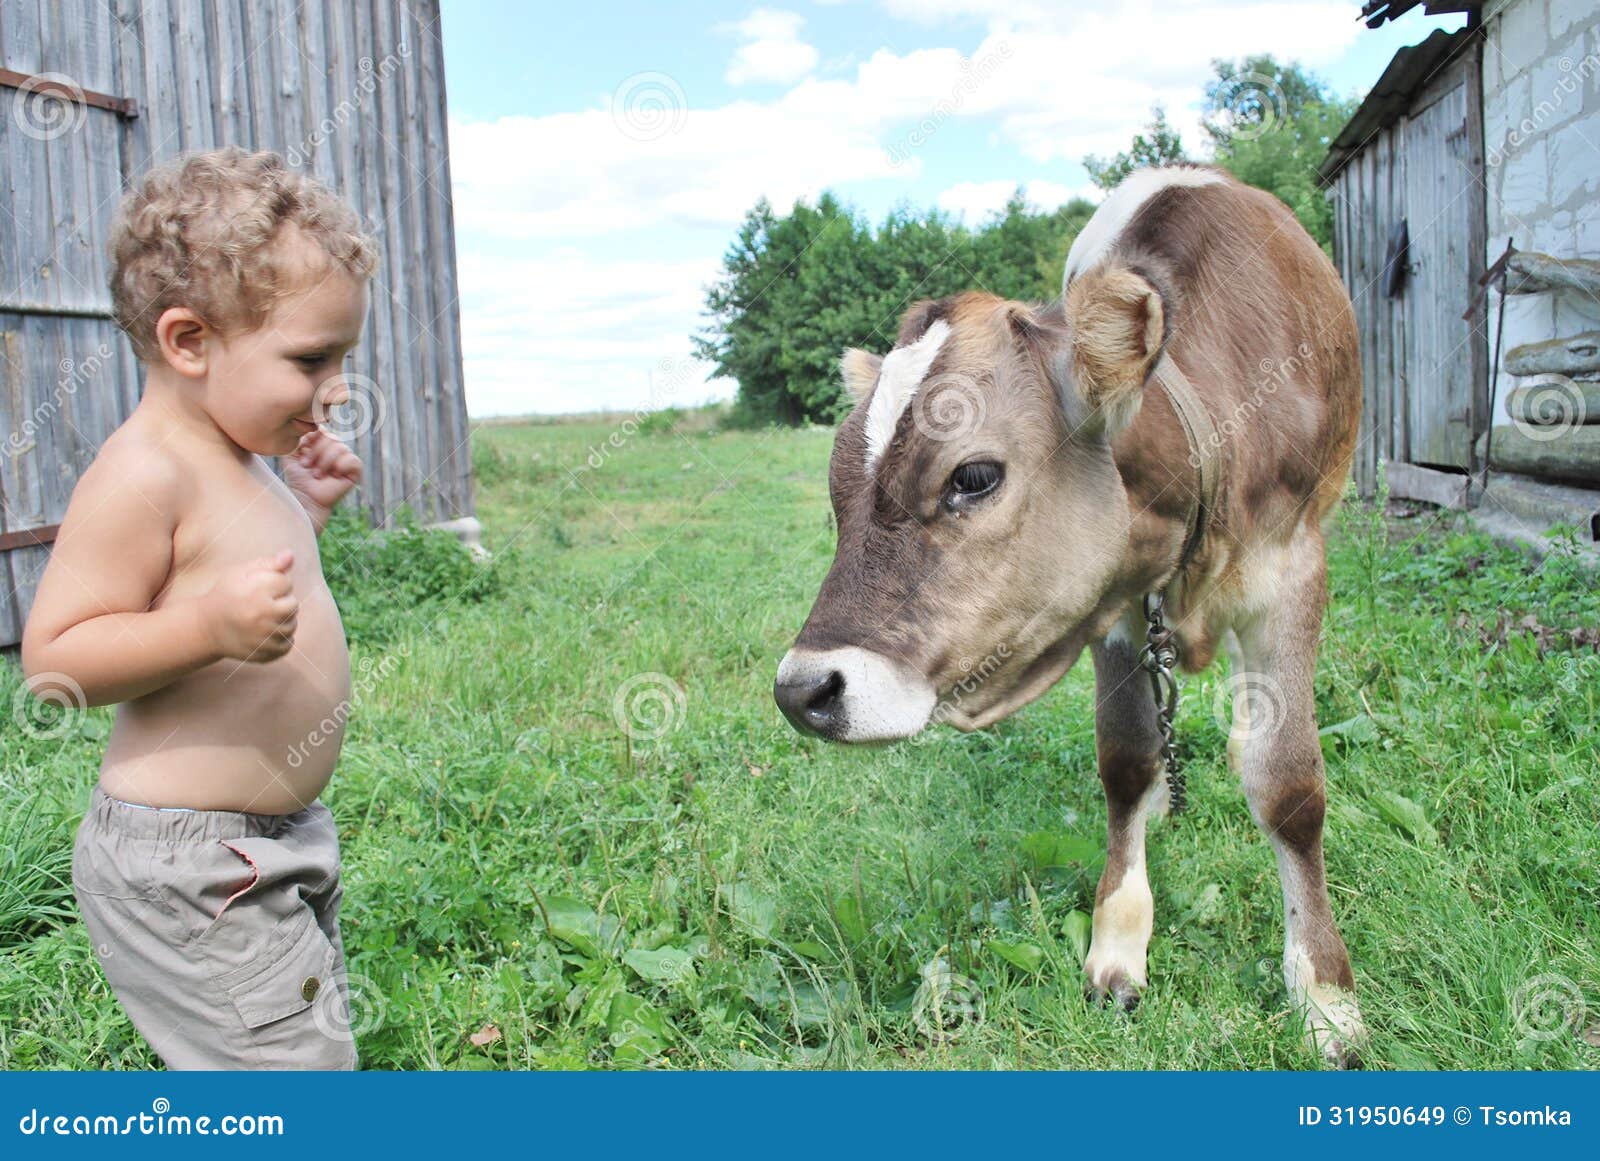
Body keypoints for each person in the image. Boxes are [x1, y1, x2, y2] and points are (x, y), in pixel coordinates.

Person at [21, 147, 376, 1069]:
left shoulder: (242, 460)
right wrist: (206, 627)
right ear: (189, 342)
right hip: (186, 863)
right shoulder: (146, 469)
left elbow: (249, 587)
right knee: (293, 1079)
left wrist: (307, 512)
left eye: (343, 358)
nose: (335, 387)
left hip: (271, 841)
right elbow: (56, 657)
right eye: (311, 358)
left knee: (300, 1052)